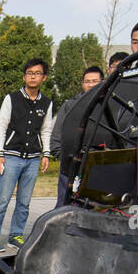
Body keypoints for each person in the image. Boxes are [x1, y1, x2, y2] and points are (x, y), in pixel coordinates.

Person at [0, 58, 54, 249]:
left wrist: (45, 154)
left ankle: (16, 235)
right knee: (3, 199)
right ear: (24, 77)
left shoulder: (46, 103)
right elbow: (1, 126)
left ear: (44, 77)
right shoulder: (12, 98)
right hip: (11, 156)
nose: (33, 76)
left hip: (32, 159)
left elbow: (46, 130)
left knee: (24, 202)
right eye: (30, 73)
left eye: (37, 73)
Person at [50, 65, 103, 207]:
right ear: (82, 83)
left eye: (95, 81)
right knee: (64, 205)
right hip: (71, 166)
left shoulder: (108, 106)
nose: (91, 85)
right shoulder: (70, 105)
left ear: (102, 82)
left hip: (97, 166)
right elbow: (56, 136)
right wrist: (63, 157)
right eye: (87, 81)